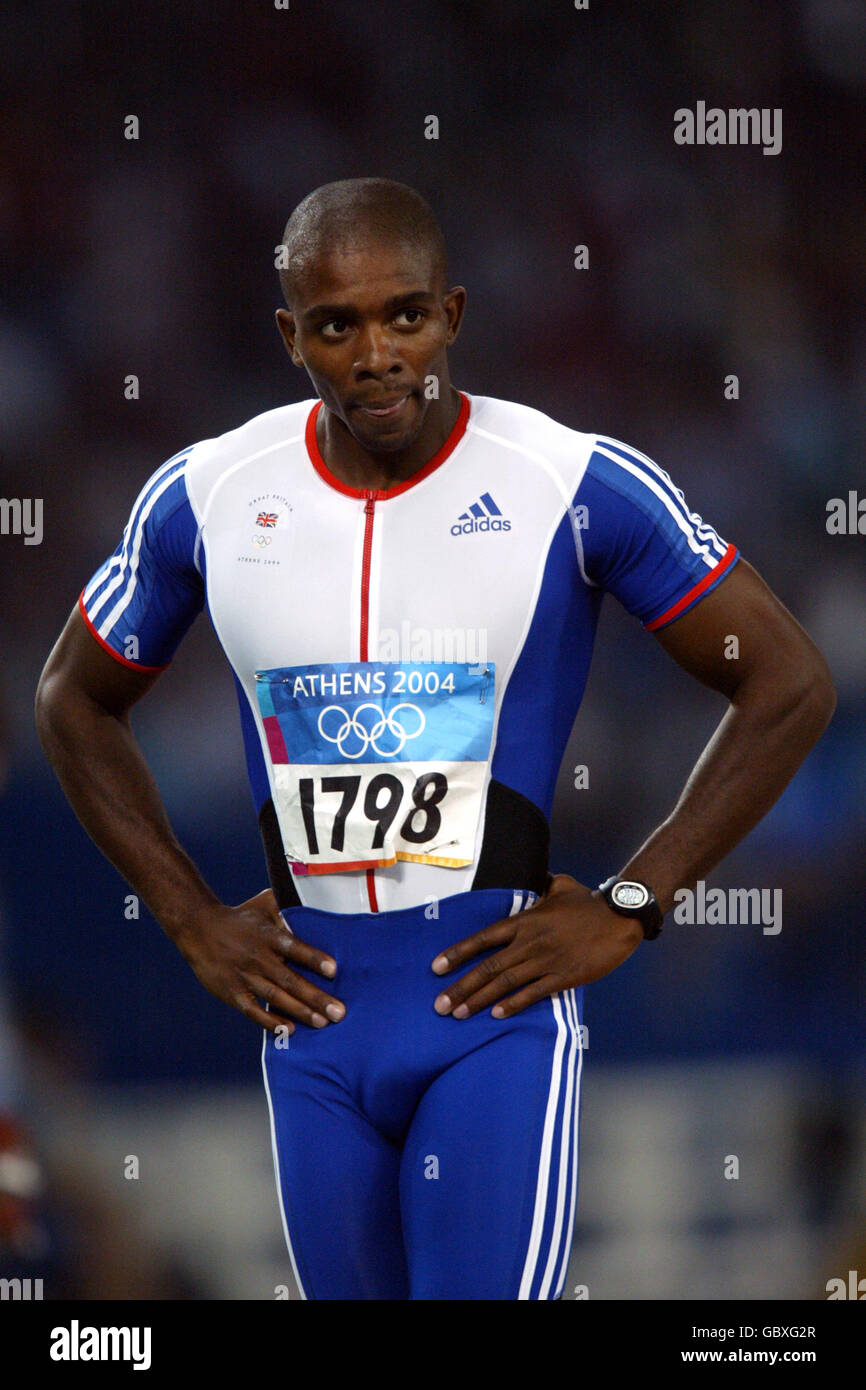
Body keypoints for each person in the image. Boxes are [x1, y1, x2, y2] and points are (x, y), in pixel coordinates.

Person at [35, 178, 836, 1301]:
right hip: (311, 1038)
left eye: (403, 314)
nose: (375, 354)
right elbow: (73, 700)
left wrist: (634, 901)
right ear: (288, 335)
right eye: (336, 325)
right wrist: (189, 921)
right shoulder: (210, 494)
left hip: (491, 1022)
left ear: (452, 314)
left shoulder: (568, 481)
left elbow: (788, 681)